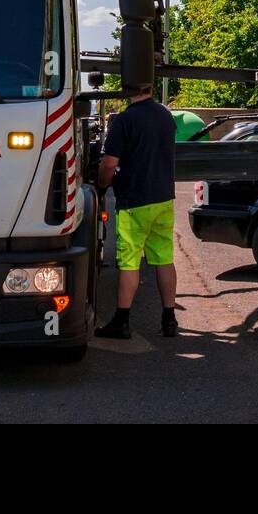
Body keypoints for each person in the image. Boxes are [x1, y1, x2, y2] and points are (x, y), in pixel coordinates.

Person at [94, 83, 178, 339]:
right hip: (164, 198)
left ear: (127, 88)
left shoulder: (124, 120)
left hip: (134, 201)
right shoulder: (165, 115)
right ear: (151, 87)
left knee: (129, 261)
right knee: (164, 258)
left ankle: (121, 320)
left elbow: (109, 164)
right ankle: (169, 319)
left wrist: (101, 184)